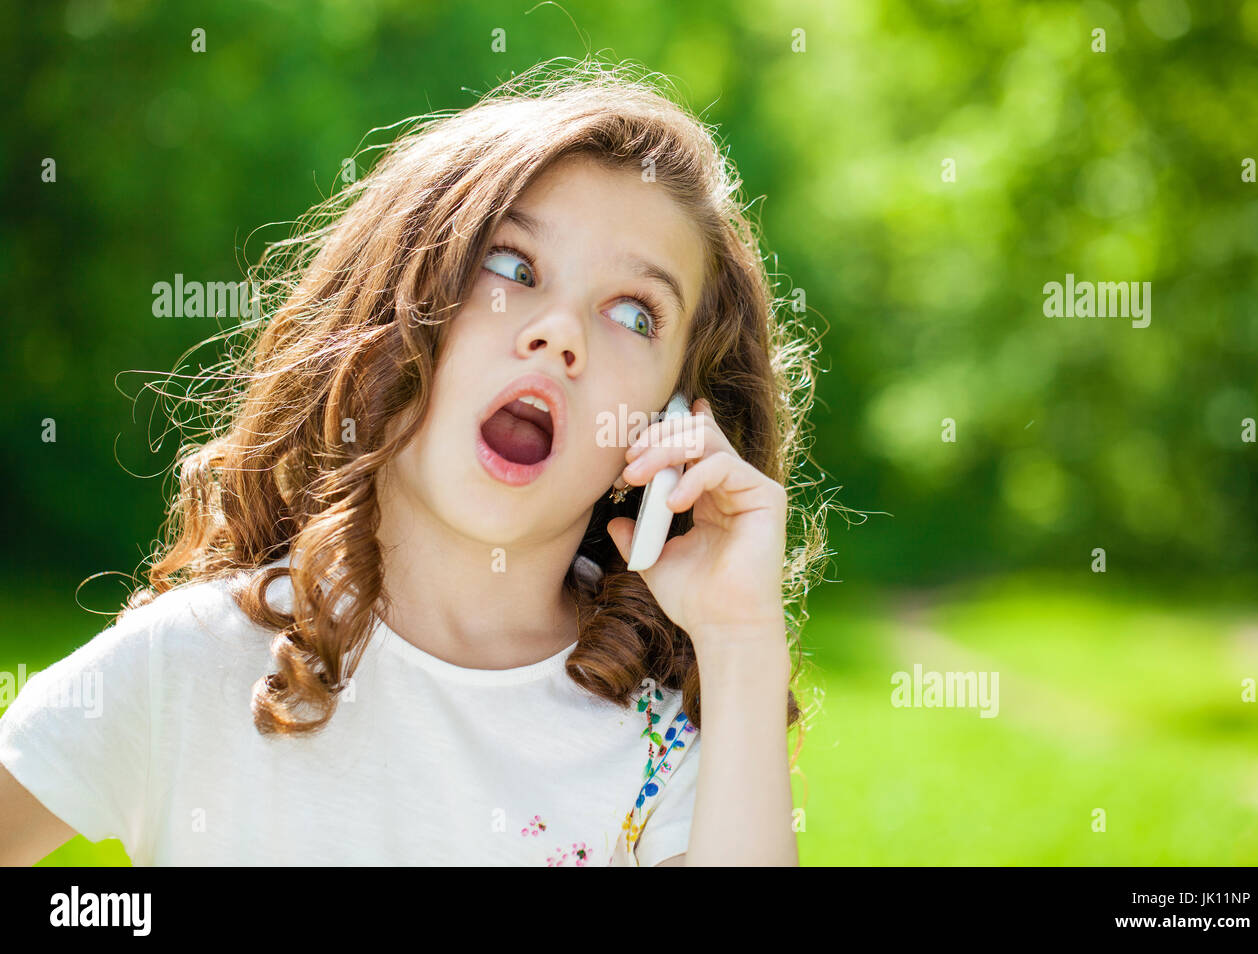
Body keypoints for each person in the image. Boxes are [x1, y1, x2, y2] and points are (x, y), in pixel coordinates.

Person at [0, 58, 829, 866]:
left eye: (635, 313)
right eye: (512, 266)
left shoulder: (658, 743)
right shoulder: (188, 664)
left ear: (670, 424)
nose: (560, 332)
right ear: (392, 315)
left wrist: (740, 639)